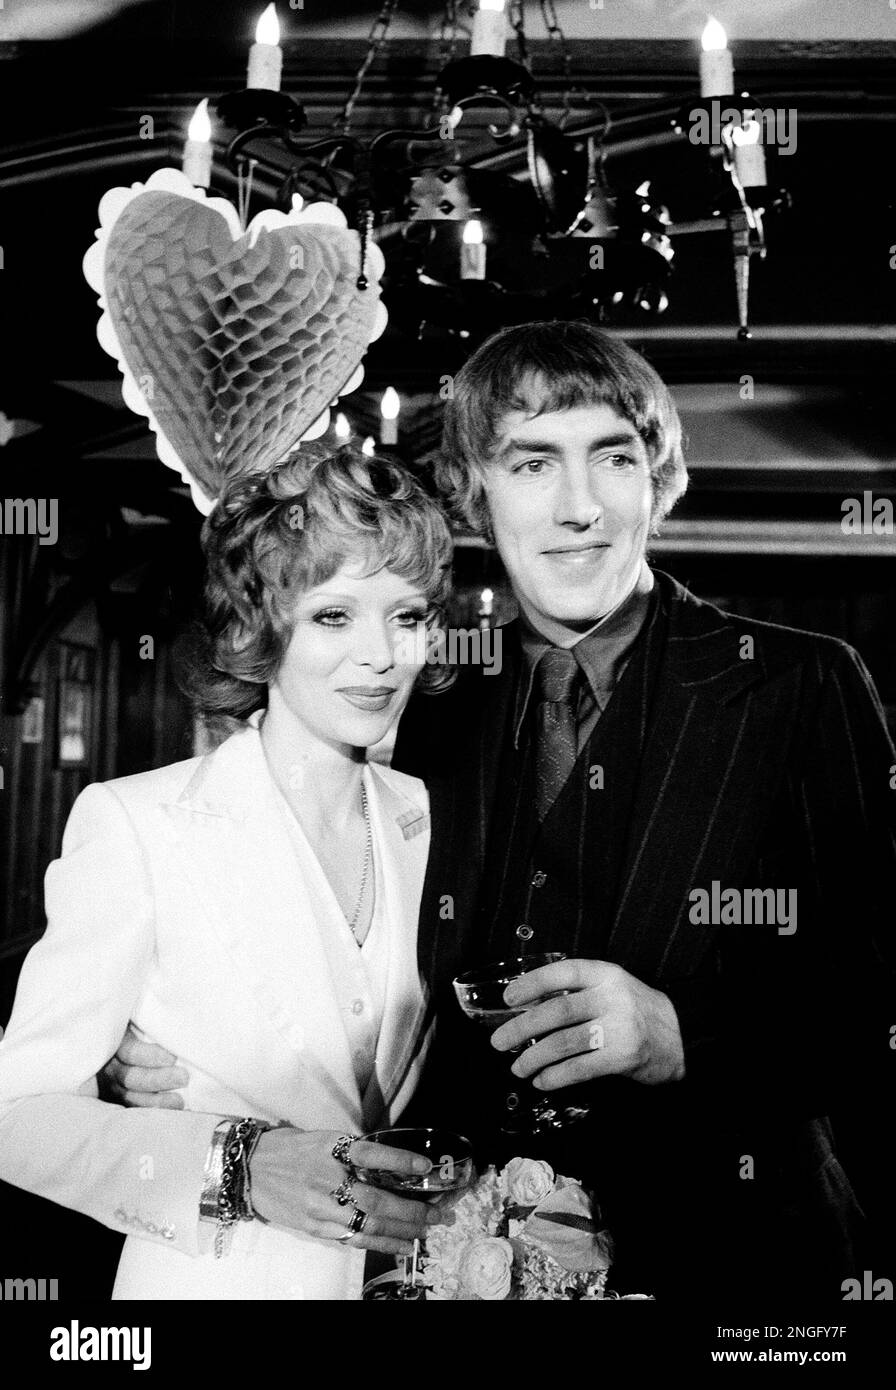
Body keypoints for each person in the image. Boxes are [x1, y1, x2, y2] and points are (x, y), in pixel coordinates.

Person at [106, 322, 896, 1301]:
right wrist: (160, 1048)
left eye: (611, 456)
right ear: (474, 494)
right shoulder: (430, 704)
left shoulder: (798, 683)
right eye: (531, 461)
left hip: (732, 1263)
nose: (577, 507)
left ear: (657, 478)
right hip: (464, 1258)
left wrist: (678, 1032)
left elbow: (873, 1011)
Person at [0, 444, 455, 1300]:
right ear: (259, 625)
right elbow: (14, 1116)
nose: (382, 656)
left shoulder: (437, 820)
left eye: (408, 616)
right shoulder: (139, 826)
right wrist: (235, 1165)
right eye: (333, 616)